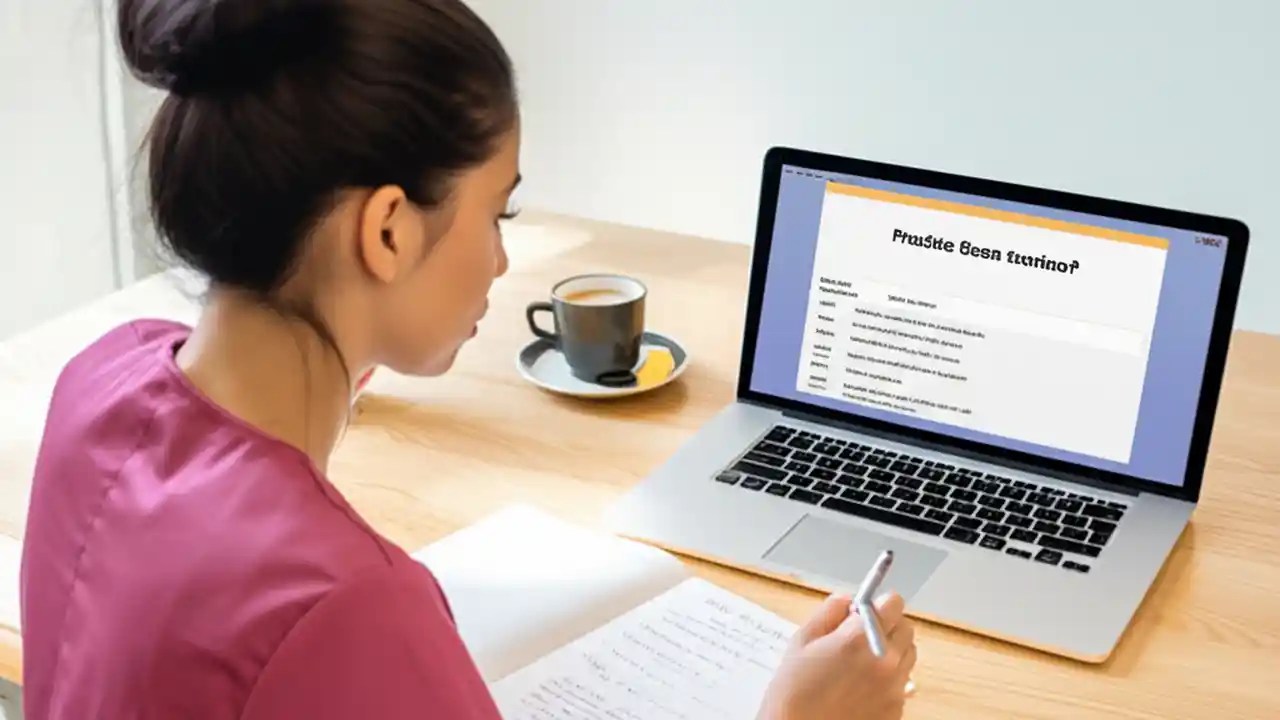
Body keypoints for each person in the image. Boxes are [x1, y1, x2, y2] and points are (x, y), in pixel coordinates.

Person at [18, 0, 918, 718]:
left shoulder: (102, 380)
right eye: (499, 214)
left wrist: (352, 343)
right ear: (386, 228)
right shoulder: (345, 609)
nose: (497, 260)